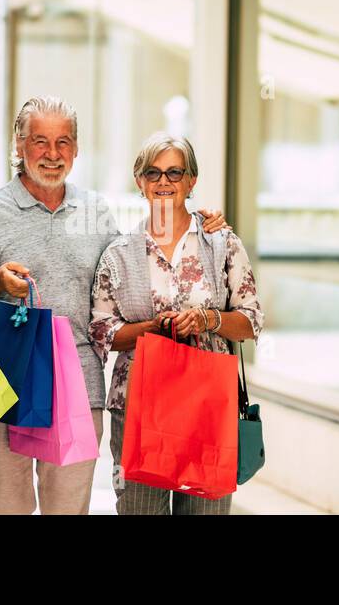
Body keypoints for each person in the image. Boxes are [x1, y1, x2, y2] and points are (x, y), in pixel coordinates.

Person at [0, 97, 229, 514]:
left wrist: (197, 221)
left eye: (64, 142)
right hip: (2, 385)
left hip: (79, 385)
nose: (52, 153)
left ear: (76, 149)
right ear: (19, 145)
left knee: (68, 509)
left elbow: (138, 263)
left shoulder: (95, 210)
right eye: (40, 141)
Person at [90, 132, 264, 515]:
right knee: (139, 509)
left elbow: (251, 321)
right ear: (139, 182)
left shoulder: (223, 244)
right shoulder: (118, 254)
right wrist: (152, 328)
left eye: (174, 172)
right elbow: (102, 332)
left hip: (208, 405)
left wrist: (209, 318)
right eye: (153, 173)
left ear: (191, 181)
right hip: (137, 407)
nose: (163, 182)